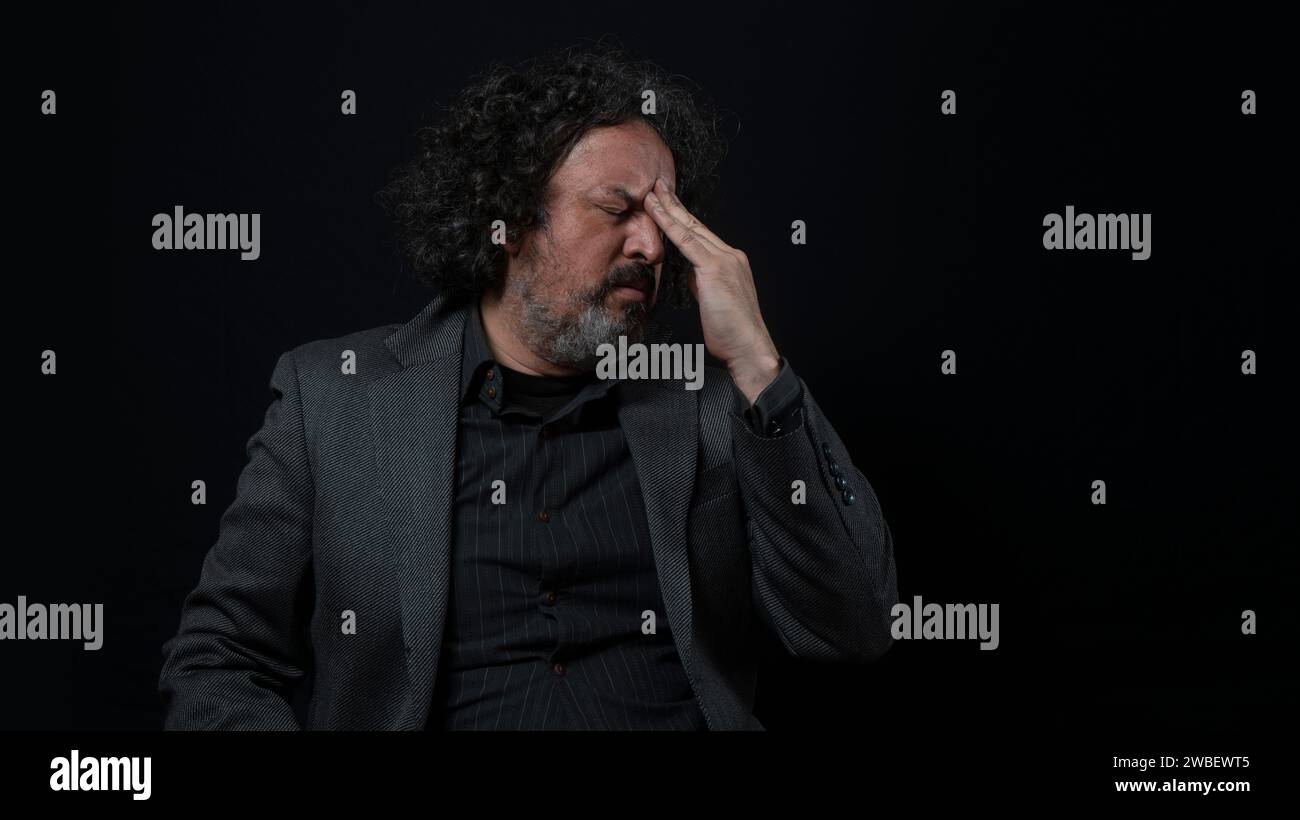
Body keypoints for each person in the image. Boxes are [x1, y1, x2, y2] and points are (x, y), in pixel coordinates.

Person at [159, 44, 897, 730]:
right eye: (618, 210)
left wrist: (761, 373)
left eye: (667, 217)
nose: (651, 245)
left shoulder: (713, 400)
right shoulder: (333, 401)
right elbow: (219, 659)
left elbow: (852, 627)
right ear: (508, 222)